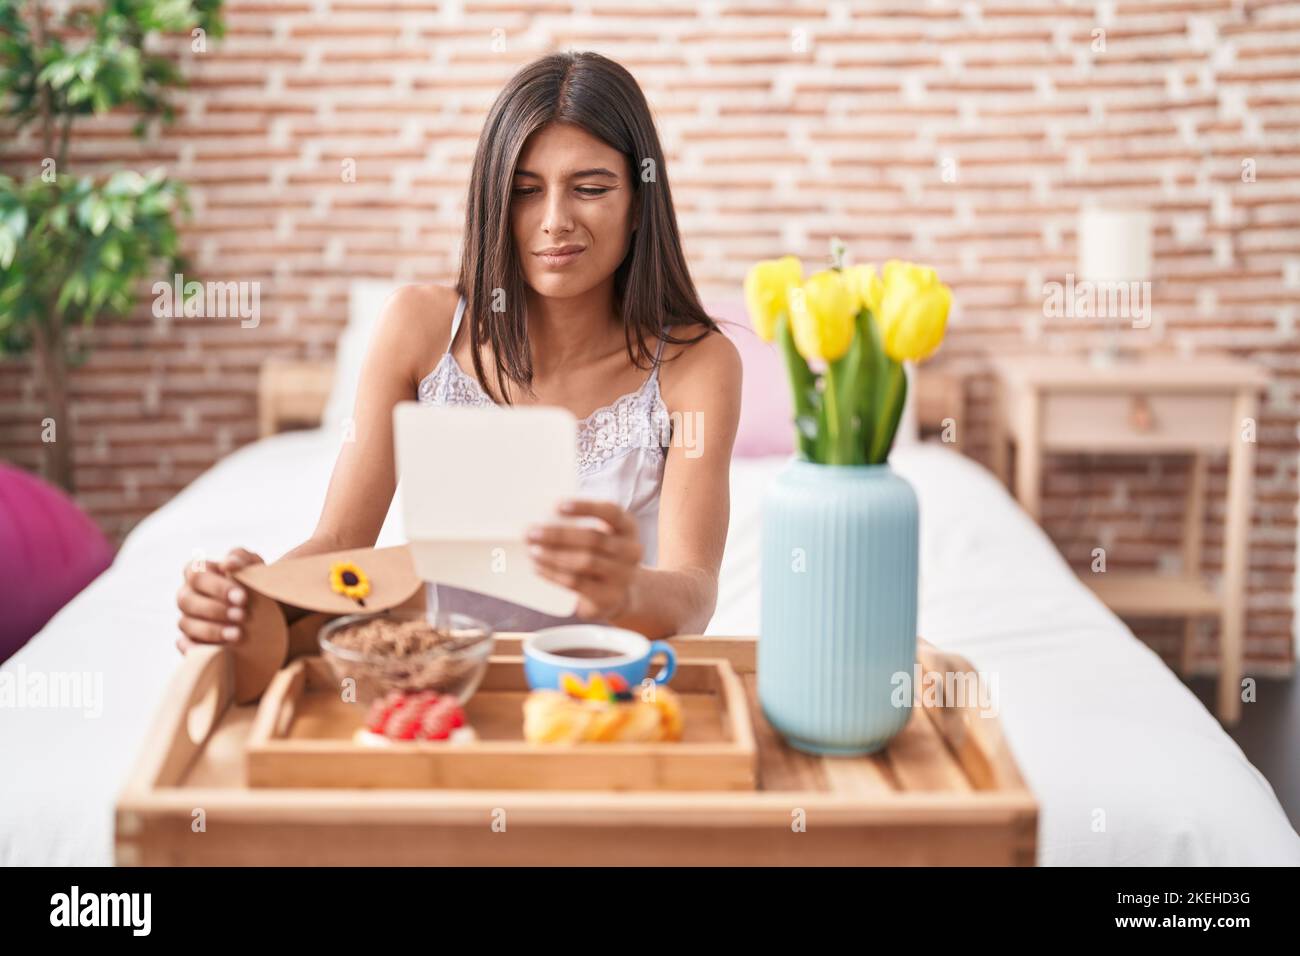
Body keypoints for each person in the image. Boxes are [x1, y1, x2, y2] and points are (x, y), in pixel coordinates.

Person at [175, 50, 741, 647]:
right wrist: (246, 599)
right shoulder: (417, 329)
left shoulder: (696, 364)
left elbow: (694, 594)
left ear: (638, 205)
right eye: (525, 191)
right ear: (493, 202)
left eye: (591, 188)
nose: (554, 220)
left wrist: (624, 589)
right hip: (441, 682)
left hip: (602, 692)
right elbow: (341, 546)